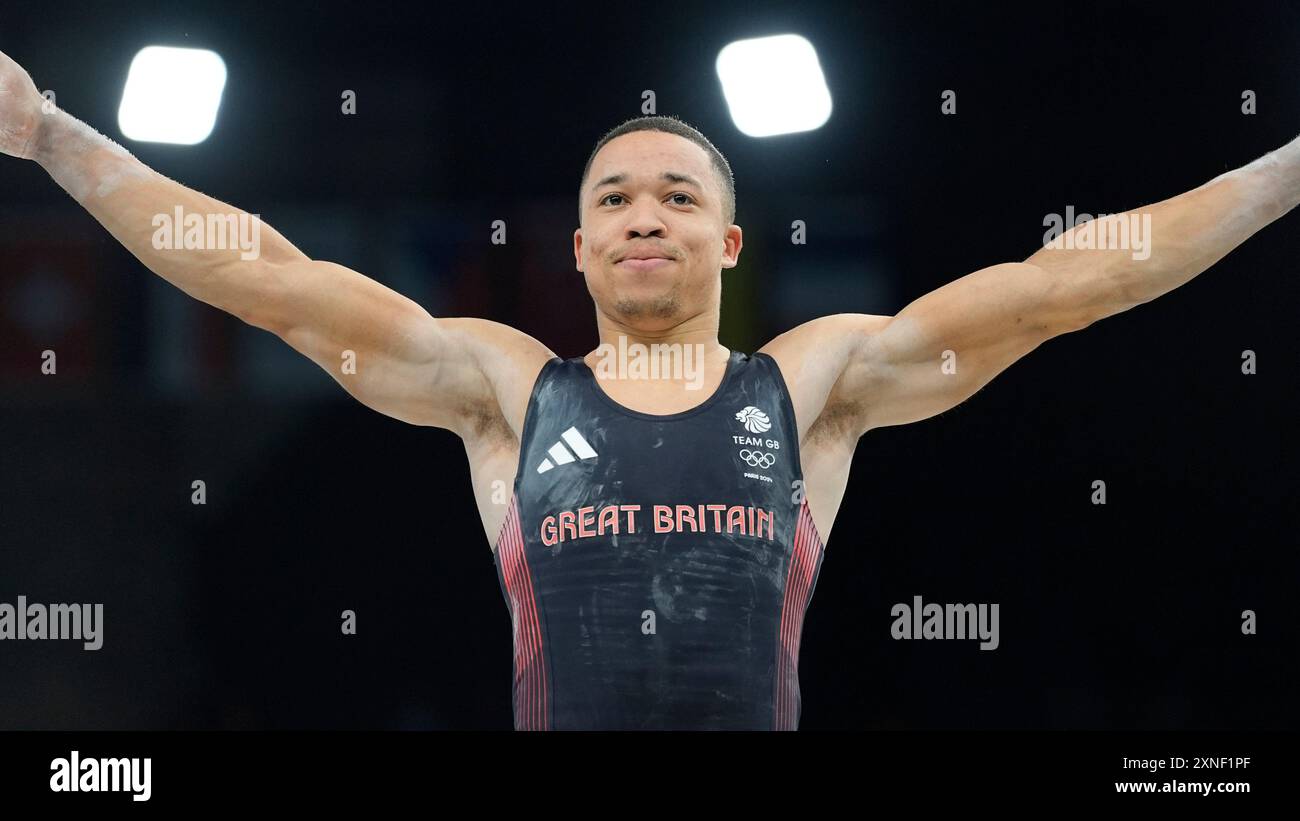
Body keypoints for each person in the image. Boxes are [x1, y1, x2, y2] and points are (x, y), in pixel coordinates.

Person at [1, 49, 1296, 729]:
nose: (645, 216)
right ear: (575, 249)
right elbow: (260, 278)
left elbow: (1076, 281)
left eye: (681, 196)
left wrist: (1287, 167)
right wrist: (52, 132)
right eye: (613, 198)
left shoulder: (815, 381)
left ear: (731, 245)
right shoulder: (505, 388)